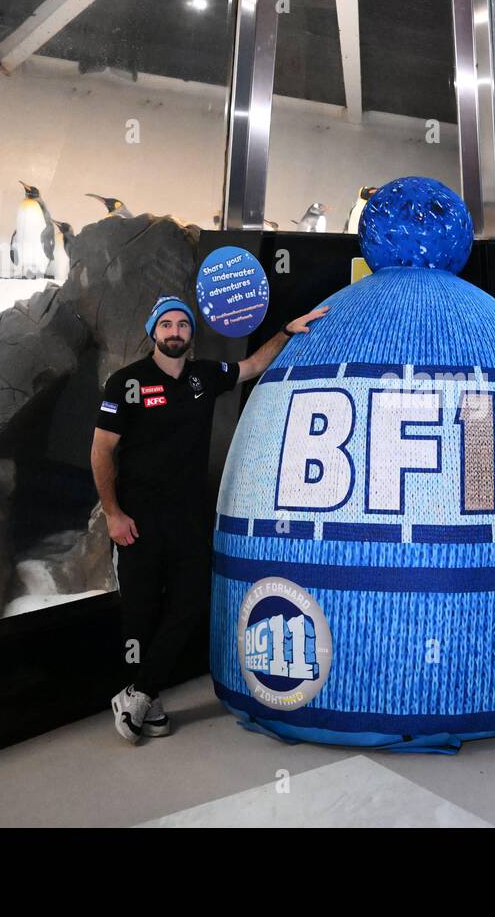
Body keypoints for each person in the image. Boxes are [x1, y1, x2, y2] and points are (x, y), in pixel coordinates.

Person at [91, 294, 328, 743]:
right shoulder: (127, 382)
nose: (175, 331)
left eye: (183, 324)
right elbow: (101, 451)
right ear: (153, 332)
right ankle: (148, 695)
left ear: (190, 333)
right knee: (141, 615)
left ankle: (139, 693)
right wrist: (113, 513)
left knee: (191, 604)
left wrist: (286, 329)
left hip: (188, 518)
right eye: (167, 325)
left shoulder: (204, 376)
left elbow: (252, 366)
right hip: (137, 520)